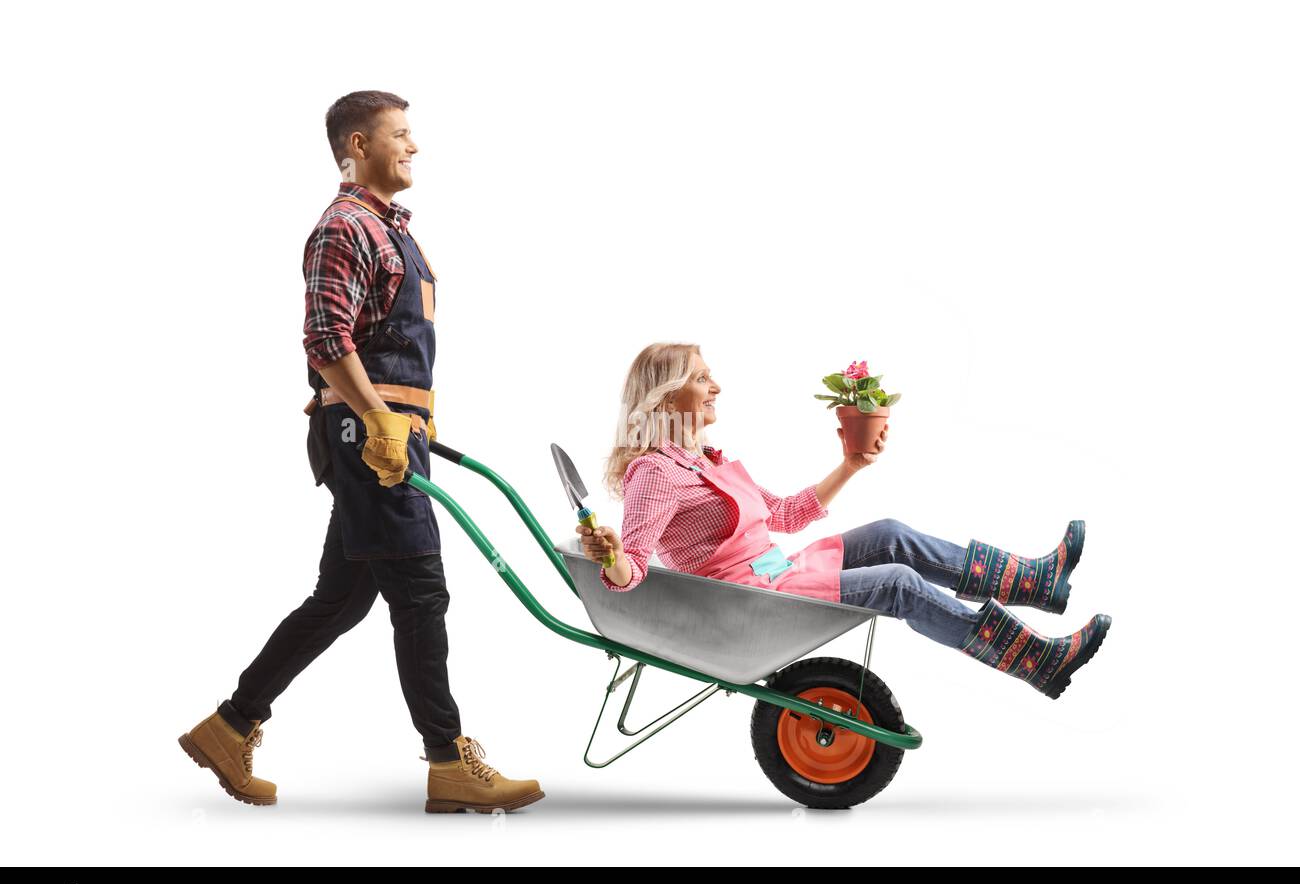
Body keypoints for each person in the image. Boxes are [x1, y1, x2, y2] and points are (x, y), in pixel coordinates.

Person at [179, 90, 544, 813]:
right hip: (367, 436)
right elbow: (325, 339)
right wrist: (381, 418)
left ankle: (231, 724)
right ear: (357, 144)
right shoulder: (344, 227)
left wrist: (410, 418)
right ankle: (447, 760)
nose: (413, 147)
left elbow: (387, 347)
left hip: (388, 433)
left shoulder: (391, 230)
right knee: (421, 594)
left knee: (341, 598)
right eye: (399, 135)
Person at [575, 342, 1110, 699]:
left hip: (775, 568)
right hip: (750, 597)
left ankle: (1037, 583)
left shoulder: (704, 460)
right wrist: (613, 553)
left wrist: (850, 465)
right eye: (701, 378)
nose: (716, 386)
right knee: (897, 583)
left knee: (890, 535)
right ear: (666, 394)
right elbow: (633, 574)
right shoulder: (654, 472)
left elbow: (783, 514)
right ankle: (1037, 659)